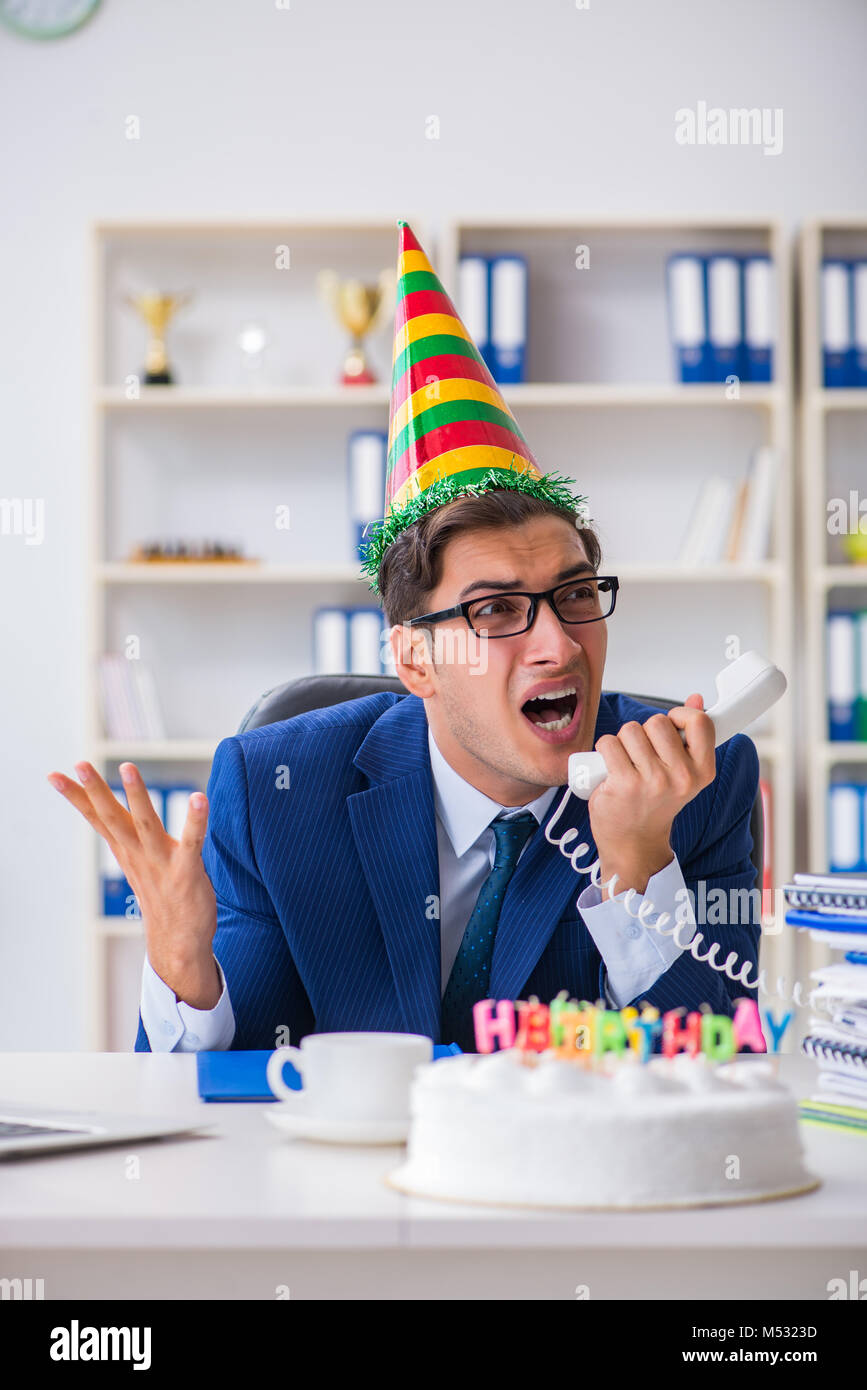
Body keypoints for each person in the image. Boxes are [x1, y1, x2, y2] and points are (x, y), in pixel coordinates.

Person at [47, 223, 760, 1055]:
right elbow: (229, 1090)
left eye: (572, 595)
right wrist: (184, 972)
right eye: (495, 610)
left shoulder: (699, 788)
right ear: (413, 657)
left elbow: (723, 1076)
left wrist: (636, 867)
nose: (559, 647)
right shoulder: (276, 791)